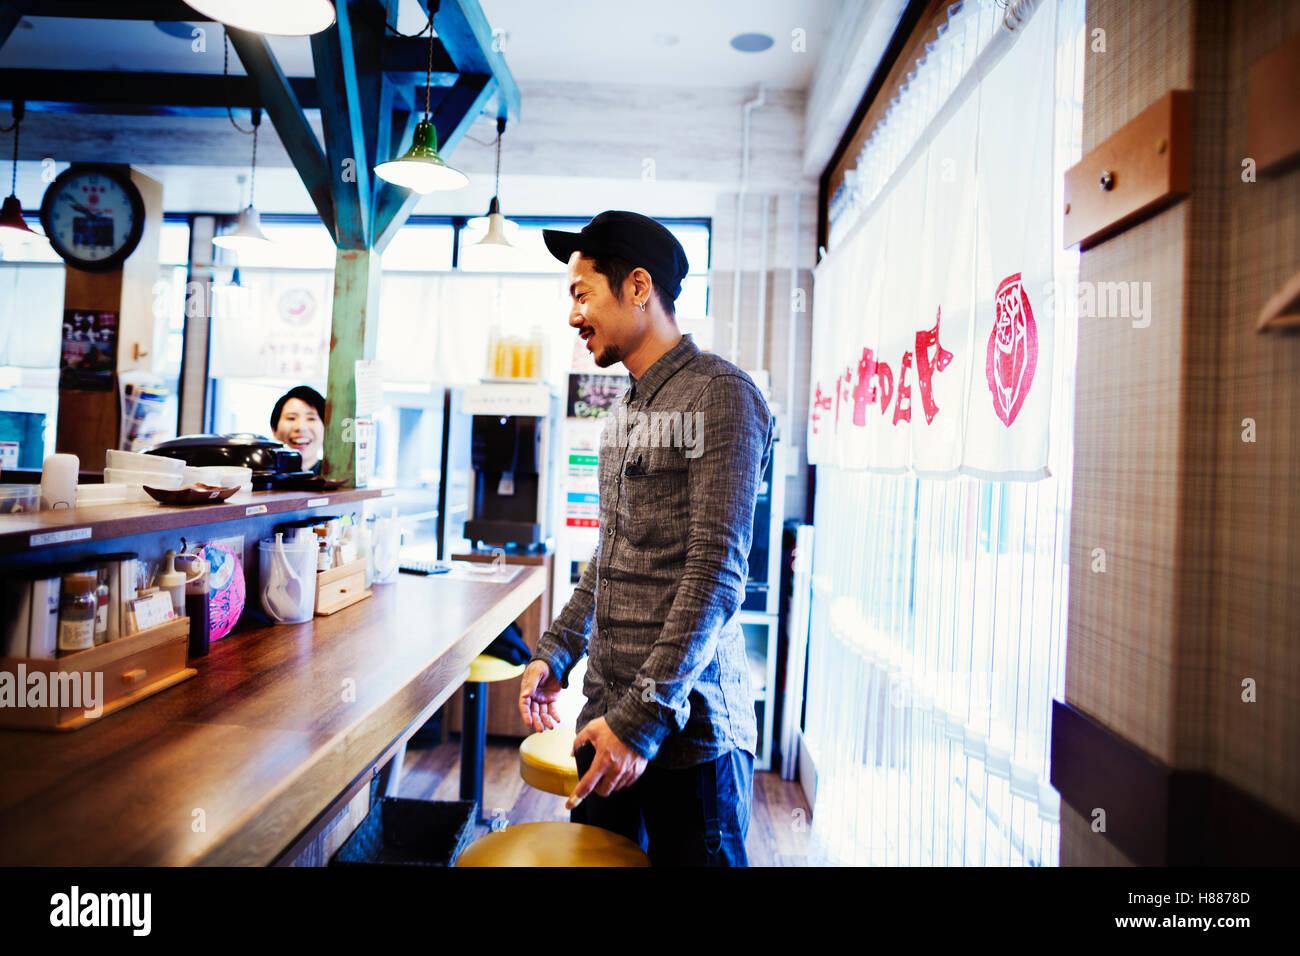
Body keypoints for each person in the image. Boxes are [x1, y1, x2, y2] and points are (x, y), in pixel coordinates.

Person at [518, 210, 773, 866]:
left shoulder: (721, 396)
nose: (574, 316)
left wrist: (644, 719)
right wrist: (554, 651)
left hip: (686, 740)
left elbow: (716, 571)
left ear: (637, 287)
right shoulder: (627, 408)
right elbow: (614, 554)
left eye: (582, 294)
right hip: (605, 718)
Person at [270, 385, 326, 474]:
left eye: (311, 418)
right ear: (274, 429)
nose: (301, 427)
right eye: (291, 418)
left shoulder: (340, 479)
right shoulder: (260, 481)